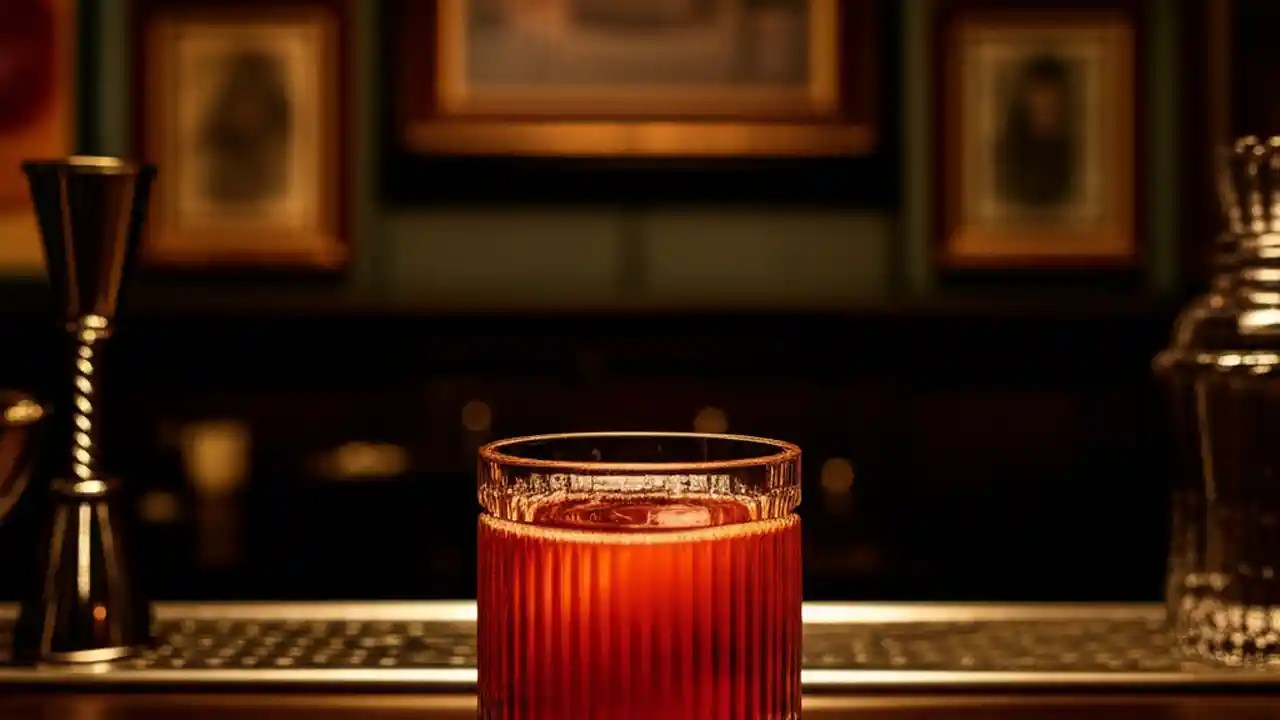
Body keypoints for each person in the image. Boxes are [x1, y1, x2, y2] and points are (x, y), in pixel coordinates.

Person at [200, 49, 292, 207]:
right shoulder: (221, 143)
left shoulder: (274, 153)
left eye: (251, 96)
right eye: (240, 96)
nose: (244, 109)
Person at [995, 53, 1078, 209]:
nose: (1045, 105)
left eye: (1051, 98)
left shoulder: (1078, 155)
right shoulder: (1009, 154)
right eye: (1039, 95)